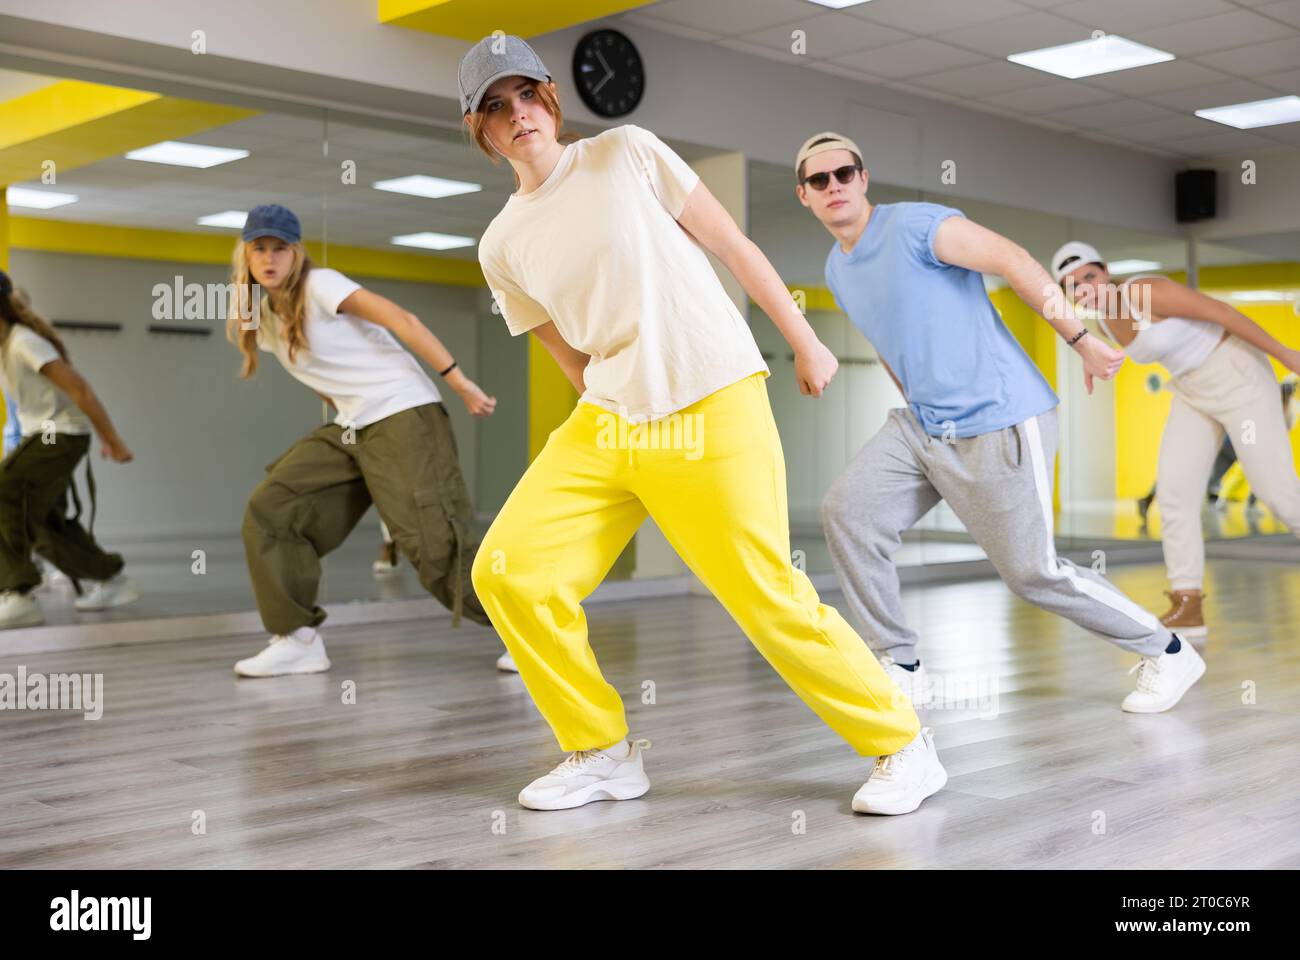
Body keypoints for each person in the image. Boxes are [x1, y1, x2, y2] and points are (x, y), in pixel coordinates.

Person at [461, 36, 942, 815]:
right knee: (509, 570)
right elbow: (566, 353)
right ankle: (601, 750)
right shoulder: (500, 245)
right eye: (495, 106)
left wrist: (805, 339)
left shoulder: (625, 152)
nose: (517, 115)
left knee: (763, 592)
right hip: (613, 418)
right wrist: (615, 416)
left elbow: (732, 245)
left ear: (549, 98)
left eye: (526, 95)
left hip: (710, 391)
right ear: (478, 127)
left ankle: (902, 744)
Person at [798, 133, 1200, 715]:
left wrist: (1082, 339)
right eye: (819, 180)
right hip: (924, 427)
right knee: (848, 511)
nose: (834, 186)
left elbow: (1014, 260)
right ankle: (901, 663)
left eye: (845, 173)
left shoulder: (919, 226)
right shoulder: (837, 270)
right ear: (805, 195)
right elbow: (889, 342)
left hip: (1003, 416)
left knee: (1033, 573)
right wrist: (917, 400)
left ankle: (1167, 650)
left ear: (863, 178)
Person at [225, 204, 507, 676]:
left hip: (403, 412)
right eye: (260, 249)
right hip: (355, 425)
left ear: (296, 254)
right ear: (246, 256)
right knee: (273, 509)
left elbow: (402, 320)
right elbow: (319, 374)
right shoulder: (264, 316)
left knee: (432, 545)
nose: (270, 258)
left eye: (280, 248)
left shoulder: (322, 284)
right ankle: (297, 638)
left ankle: (530, 633)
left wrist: (459, 383)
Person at [1053, 242, 1300, 639]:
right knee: (1174, 494)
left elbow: (1223, 313)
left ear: (1105, 271)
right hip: (1190, 389)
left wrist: (1285, 354)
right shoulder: (1100, 322)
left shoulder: (1143, 292)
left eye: (1089, 276)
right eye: (1073, 286)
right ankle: (1188, 605)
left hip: (1236, 373)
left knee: (1279, 493)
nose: (1084, 287)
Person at [0, 268, 137, 627]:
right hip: (46, 435)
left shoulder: (23, 342)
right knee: (45, 526)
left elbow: (81, 390)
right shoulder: (4, 346)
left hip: (57, 434)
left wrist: (113, 440)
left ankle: (17, 593)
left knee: (4, 491)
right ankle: (110, 580)